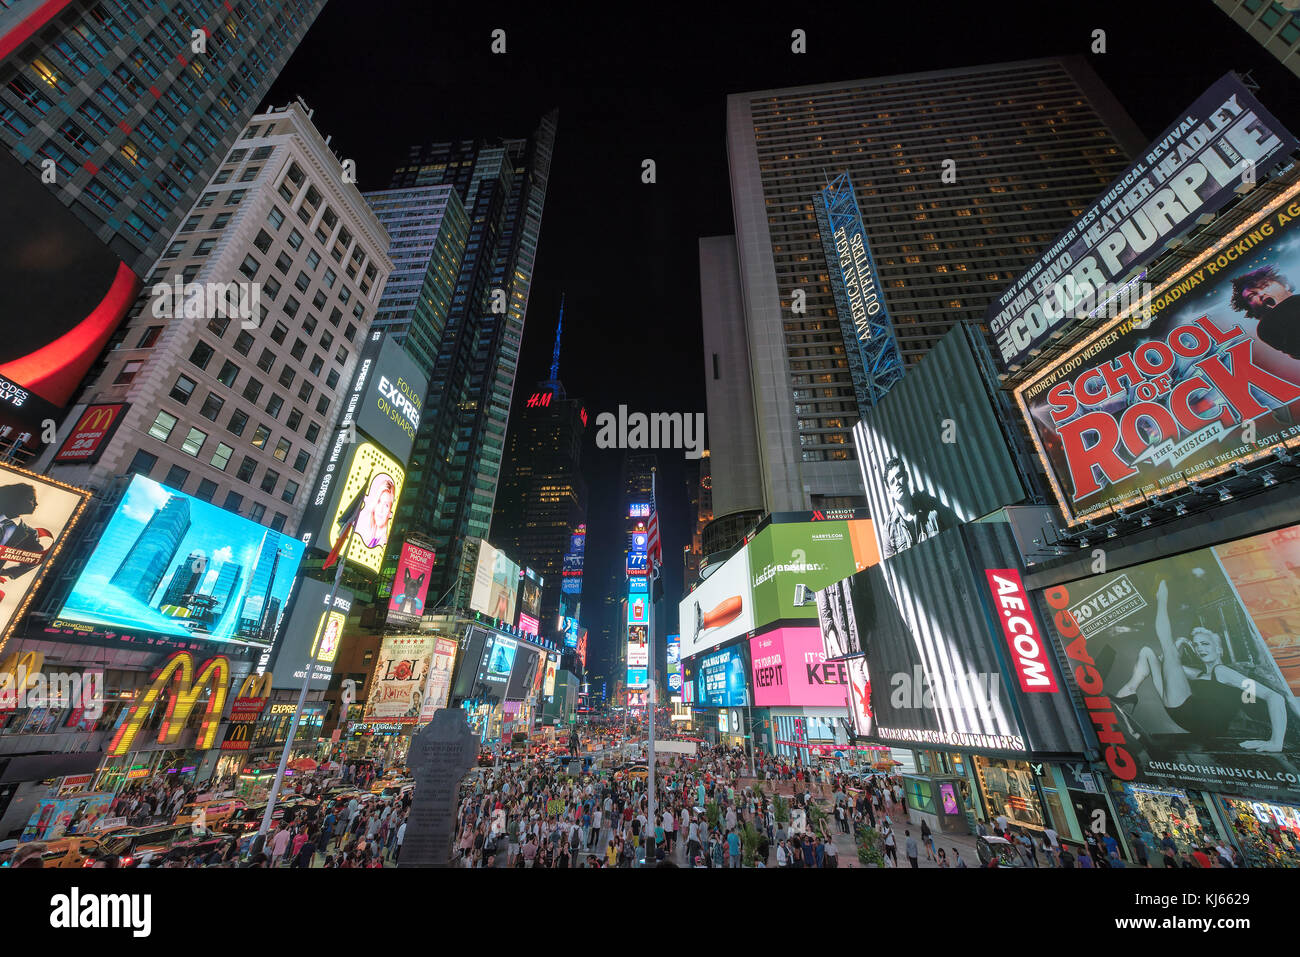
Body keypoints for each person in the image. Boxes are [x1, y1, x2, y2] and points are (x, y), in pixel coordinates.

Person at [1113, 580, 1288, 754]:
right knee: (1147, 652)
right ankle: (1129, 693)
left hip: (1196, 717)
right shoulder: (1199, 673)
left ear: (1219, 649)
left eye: (1205, 643)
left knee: (1167, 646)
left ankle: (1162, 597)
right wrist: (1179, 644)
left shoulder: (1224, 671)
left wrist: (1275, 742)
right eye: (1197, 645)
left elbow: (1275, 697)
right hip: (1186, 715)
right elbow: (1166, 664)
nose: (1200, 648)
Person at [880, 455, 956, 557]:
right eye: (892, 482)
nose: (897, 483)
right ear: (889, 490)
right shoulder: (889, 530)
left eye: (899, 476)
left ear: (906, 476)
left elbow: (951, 548)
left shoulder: (931, 513)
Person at [1230, 264, 1300, 360]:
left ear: (1286, 285)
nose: (1261, 294)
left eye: (1265, 285)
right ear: (1252, 309)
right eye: (1251, 296)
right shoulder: (1265, 330)